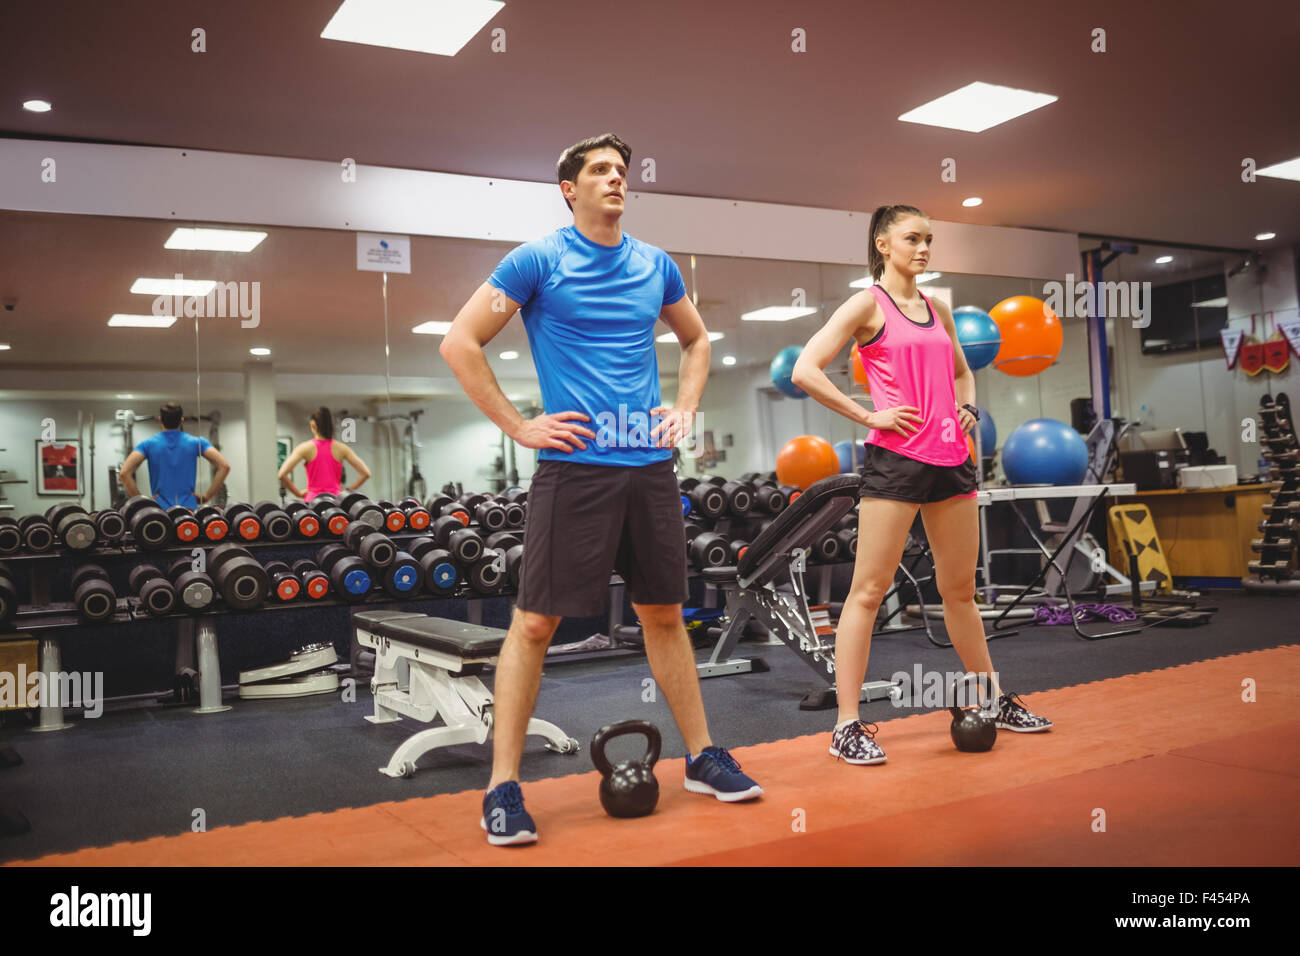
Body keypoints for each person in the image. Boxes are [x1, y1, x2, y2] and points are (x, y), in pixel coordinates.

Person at [441, 132, 763, 847]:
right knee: (533, 623)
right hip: (574, 469)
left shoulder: (655, 265)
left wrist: (684, 409)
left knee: (664, 616)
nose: (617, 179)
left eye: (622, 170)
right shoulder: (537, 260)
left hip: (647, 468)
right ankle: (502, 785)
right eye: (600, 170)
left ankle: (703, 757)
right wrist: (519, 426)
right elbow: (460, 342)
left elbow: (698, 341)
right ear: (569, 188)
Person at [791, 204, 1052, 767]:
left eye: (929, 239)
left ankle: (990, 695)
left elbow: (962, 369)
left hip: (951, 460)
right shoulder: (867, 303)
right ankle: (846, 724)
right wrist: (868, 416)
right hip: (896, 463)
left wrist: (967, 406)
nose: (924, 248)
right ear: (883, 245)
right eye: (912, 238)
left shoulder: (937, 309)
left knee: (959, 591)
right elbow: (805, 369)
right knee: (867, 591)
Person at [119, 403, 230, 508]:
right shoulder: (197, 442)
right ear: (181, 420)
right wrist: (206, 496)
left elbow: (124, 473)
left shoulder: (148, 444)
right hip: (188, 510)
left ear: (160, 420)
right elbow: (224, 467)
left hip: (160, 510)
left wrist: (142, 502)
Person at [277, 407, 371, 501]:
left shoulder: (305, 448)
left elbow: (282, 474)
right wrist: (347, 492)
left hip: (313, 500)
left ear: (313, 425)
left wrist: (298, 494)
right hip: (336, 499)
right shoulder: (342, 448)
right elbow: (366, 473)